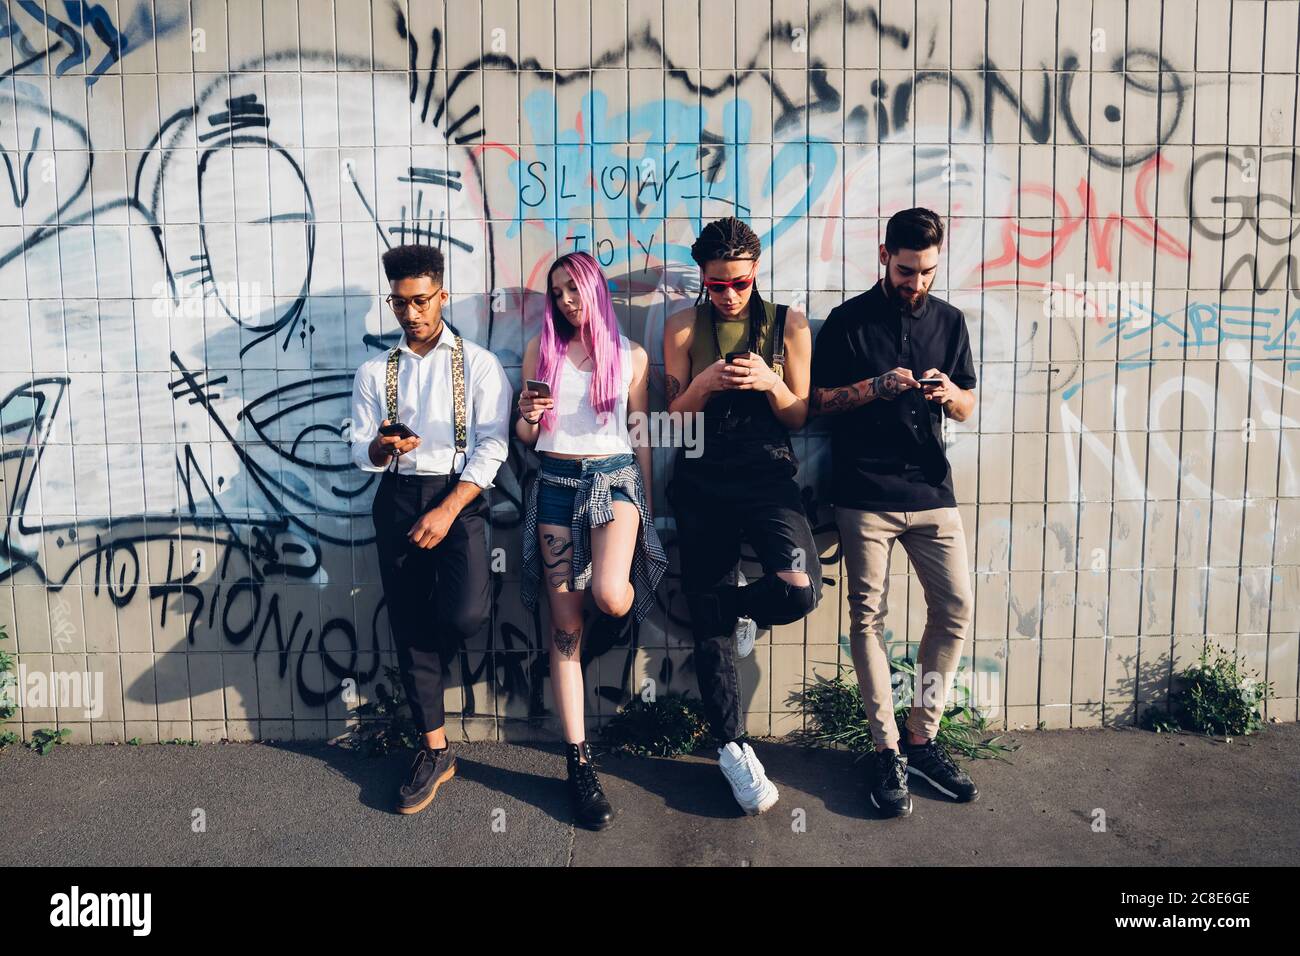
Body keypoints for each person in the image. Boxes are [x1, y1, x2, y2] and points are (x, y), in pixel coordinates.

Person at [809, 207, 979, 817]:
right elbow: (817, 403)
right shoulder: (847, 322)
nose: (917, 283)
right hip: (864, 494)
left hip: (932, 490)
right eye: (907, 271)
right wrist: (876, 387)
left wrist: (948, 395)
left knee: (955, 607)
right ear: (885, 255)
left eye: (928, 272)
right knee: (868, 617)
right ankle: (887, 752)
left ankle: (922, 738)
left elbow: (966, 406)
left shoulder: (951, 321)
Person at [662, 217, 819, 815]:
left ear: (756, 273)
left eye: (740, 283)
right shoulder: (683, 325)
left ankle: (726, 607)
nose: (728, 295)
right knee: (713, 635)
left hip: (768, 479)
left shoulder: (789, 324)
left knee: (800, 589)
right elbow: (672, 414)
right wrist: (703, 382)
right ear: (702, 279)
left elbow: (800, 415)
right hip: (702, 480)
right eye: (717, 285)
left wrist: (771, 383)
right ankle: (731, 747)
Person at [349, 243, 511, 815]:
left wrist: (447, 509)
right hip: (397, 496)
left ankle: (425, 664)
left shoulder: (480, 364)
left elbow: (494, 444)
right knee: (409, 623)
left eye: (421, 301)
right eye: (399, 303)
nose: (411, 313)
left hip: (459, 496)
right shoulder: (375, 370)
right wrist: (379, 445)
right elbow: (360, 450)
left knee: (465, 613)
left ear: (442, 295)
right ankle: (434, 748)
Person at [517, 251, 666, 830]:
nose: (565, 302)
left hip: (614, 482)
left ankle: (626, 611)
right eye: (556, 293)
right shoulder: (542, 352)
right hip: (554, 483)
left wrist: (647, 506)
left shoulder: (631, 356)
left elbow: (640, 434)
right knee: (564, 630)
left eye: (573, 290)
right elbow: (526, 436)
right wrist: (528, 412)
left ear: (594, 289)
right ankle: (578, 761)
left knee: (609, 593)